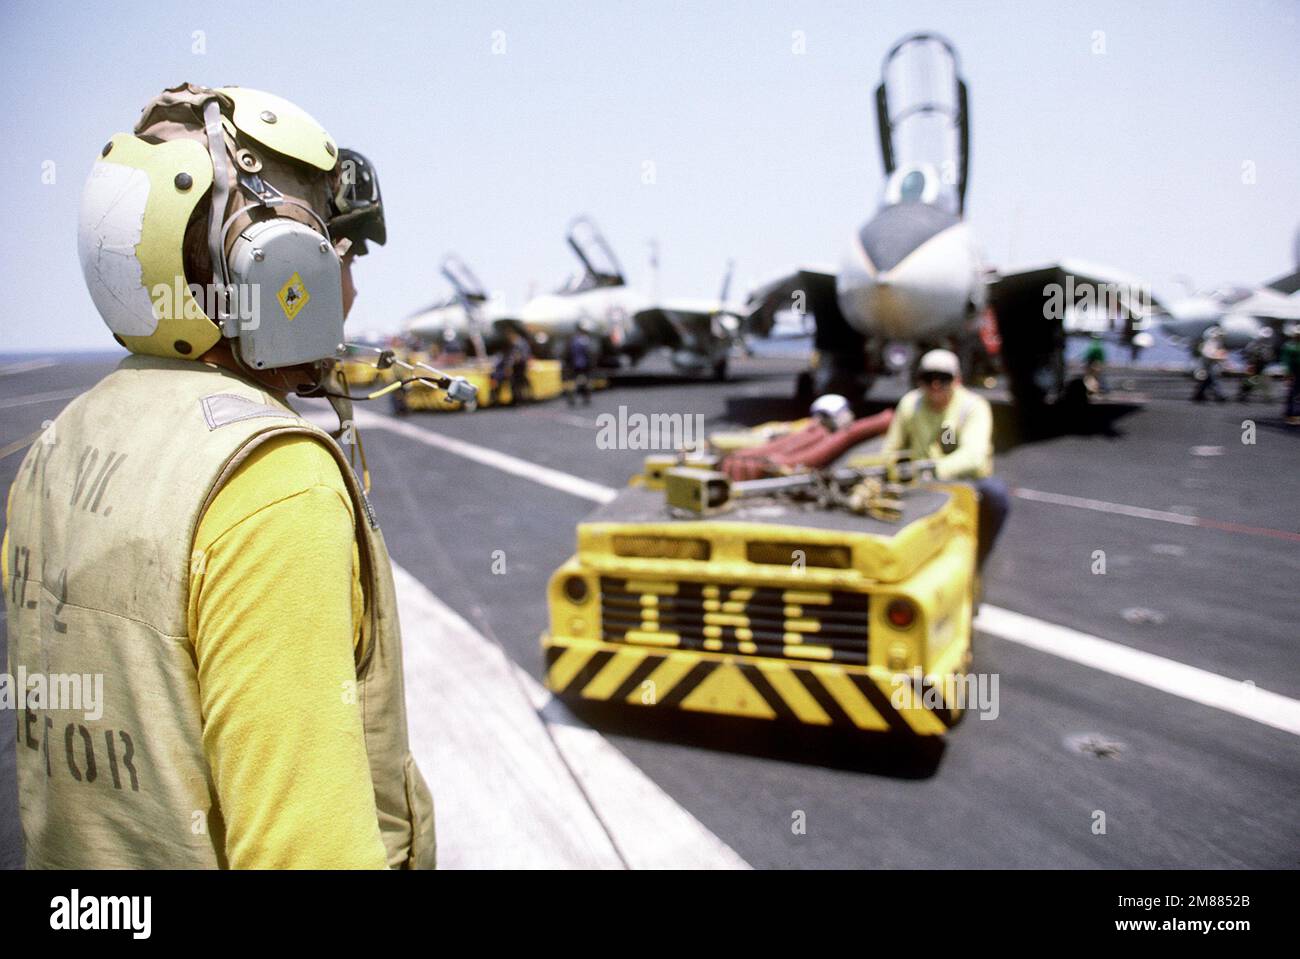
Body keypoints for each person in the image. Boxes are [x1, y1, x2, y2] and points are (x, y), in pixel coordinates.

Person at [2, 84, 435, 869]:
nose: (352, 289)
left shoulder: (55, 447)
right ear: (272, 262)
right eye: (338, 252)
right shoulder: (272, 480)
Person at [882, 349, 1008, 569]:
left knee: (996, 496)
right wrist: (890, 470)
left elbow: (975, 456)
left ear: (957, 380)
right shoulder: (910, 404)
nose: (936, 386)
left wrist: (936, 469)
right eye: (929, 378)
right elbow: (891, 448)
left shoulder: (973, 407)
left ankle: (978, 561)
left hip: (964, 481)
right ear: (919, 380)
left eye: (944, 379)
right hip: (919, 480)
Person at [1191, 327, 1228, 402]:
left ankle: (1198, 396)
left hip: (1209, 365)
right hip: (1206, 365)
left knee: (1206, 382)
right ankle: (1219, 396)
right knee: (1212, 381)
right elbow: (1207, 354)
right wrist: (1218, 358)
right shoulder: (1211, 343)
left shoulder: (1217, 343)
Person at [565, 321, 595, 407]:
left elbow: (568, 353)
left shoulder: (572, 339)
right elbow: (589, 353)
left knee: (575, 381)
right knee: (585, 381)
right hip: (583, 364)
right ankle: (585, 397)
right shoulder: (584, 340)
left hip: (574, 364)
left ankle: (573, 397)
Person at [1282, 324, 1300, 426]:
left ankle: (1292, 414)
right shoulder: (1290, 346)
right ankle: (1292, 414)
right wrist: (1287, 373)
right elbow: (1286, 361)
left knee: (1294, 393)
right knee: (1293, 393)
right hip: (1295, 371)